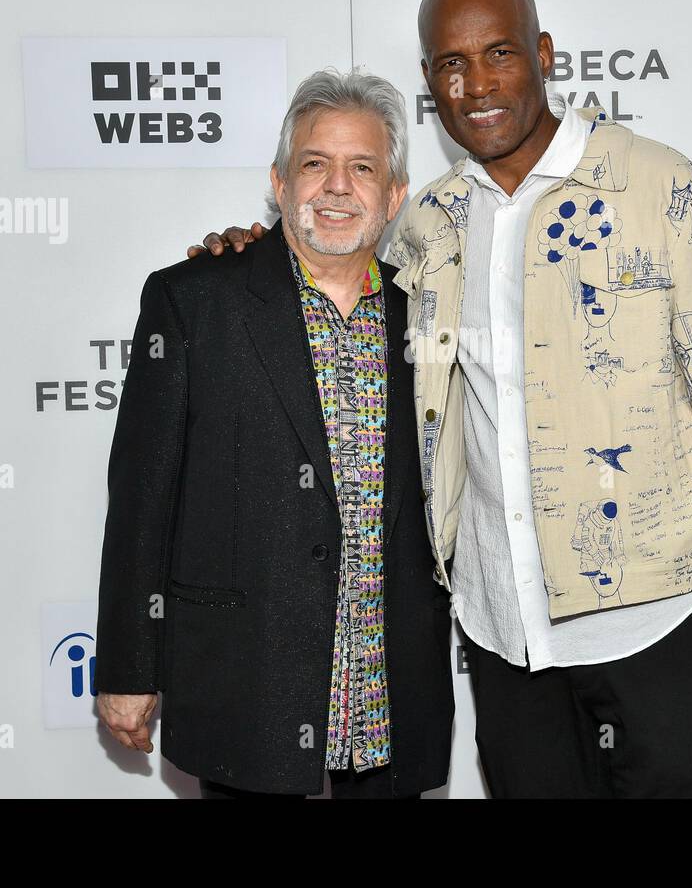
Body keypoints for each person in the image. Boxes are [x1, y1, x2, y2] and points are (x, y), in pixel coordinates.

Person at [191, 0, 692, 798]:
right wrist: (248, 252)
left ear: (545, 54)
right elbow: (323, 258)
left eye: (498, 54)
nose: (476, 84)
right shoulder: (427, 221)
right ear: (428, 82)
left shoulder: (668, 193)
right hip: (502, 639)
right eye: (450, 64)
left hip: (660, 626)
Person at [95, 68, 454, 799]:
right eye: (314, 164)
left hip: (391, 687)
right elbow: (141, 502)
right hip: (248, 683)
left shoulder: (427, 316)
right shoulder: (194, 302)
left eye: (363, 168)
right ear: (279, 181)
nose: (336, 188)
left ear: (393, 196)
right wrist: (129, 670)